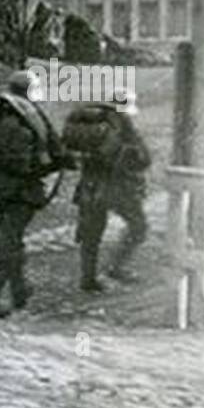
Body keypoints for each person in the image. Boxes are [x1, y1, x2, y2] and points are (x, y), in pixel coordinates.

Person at [0, 69, 70, 318]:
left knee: (6, 242)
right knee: (8, 245)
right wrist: (62, 162)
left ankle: (19, 291)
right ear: (29, 90)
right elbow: (55, 150)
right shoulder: (29, 112)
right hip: (21, 190)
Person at [63, 86, 151, 291]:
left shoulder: (88, 121)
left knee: (91, 235)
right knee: (138, 227)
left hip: (90, 186)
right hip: (119, 187)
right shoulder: (122, 123)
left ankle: (88, 279)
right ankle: (116, 267)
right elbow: (144, 159)